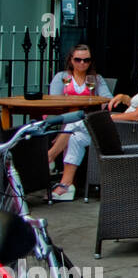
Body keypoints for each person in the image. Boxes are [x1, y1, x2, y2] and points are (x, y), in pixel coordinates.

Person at [45, 44, 112, 202]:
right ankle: (66, 185)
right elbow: (54, 102)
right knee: (74, 136)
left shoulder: (96, 79)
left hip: (90, 124)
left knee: (74, 123)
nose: (82, 63)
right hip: (71, 125)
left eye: (86, 60)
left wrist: (95, 103)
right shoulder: (63, 77)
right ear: (71, 60)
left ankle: (50, 156)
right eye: (78, 60)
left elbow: (108, 100)